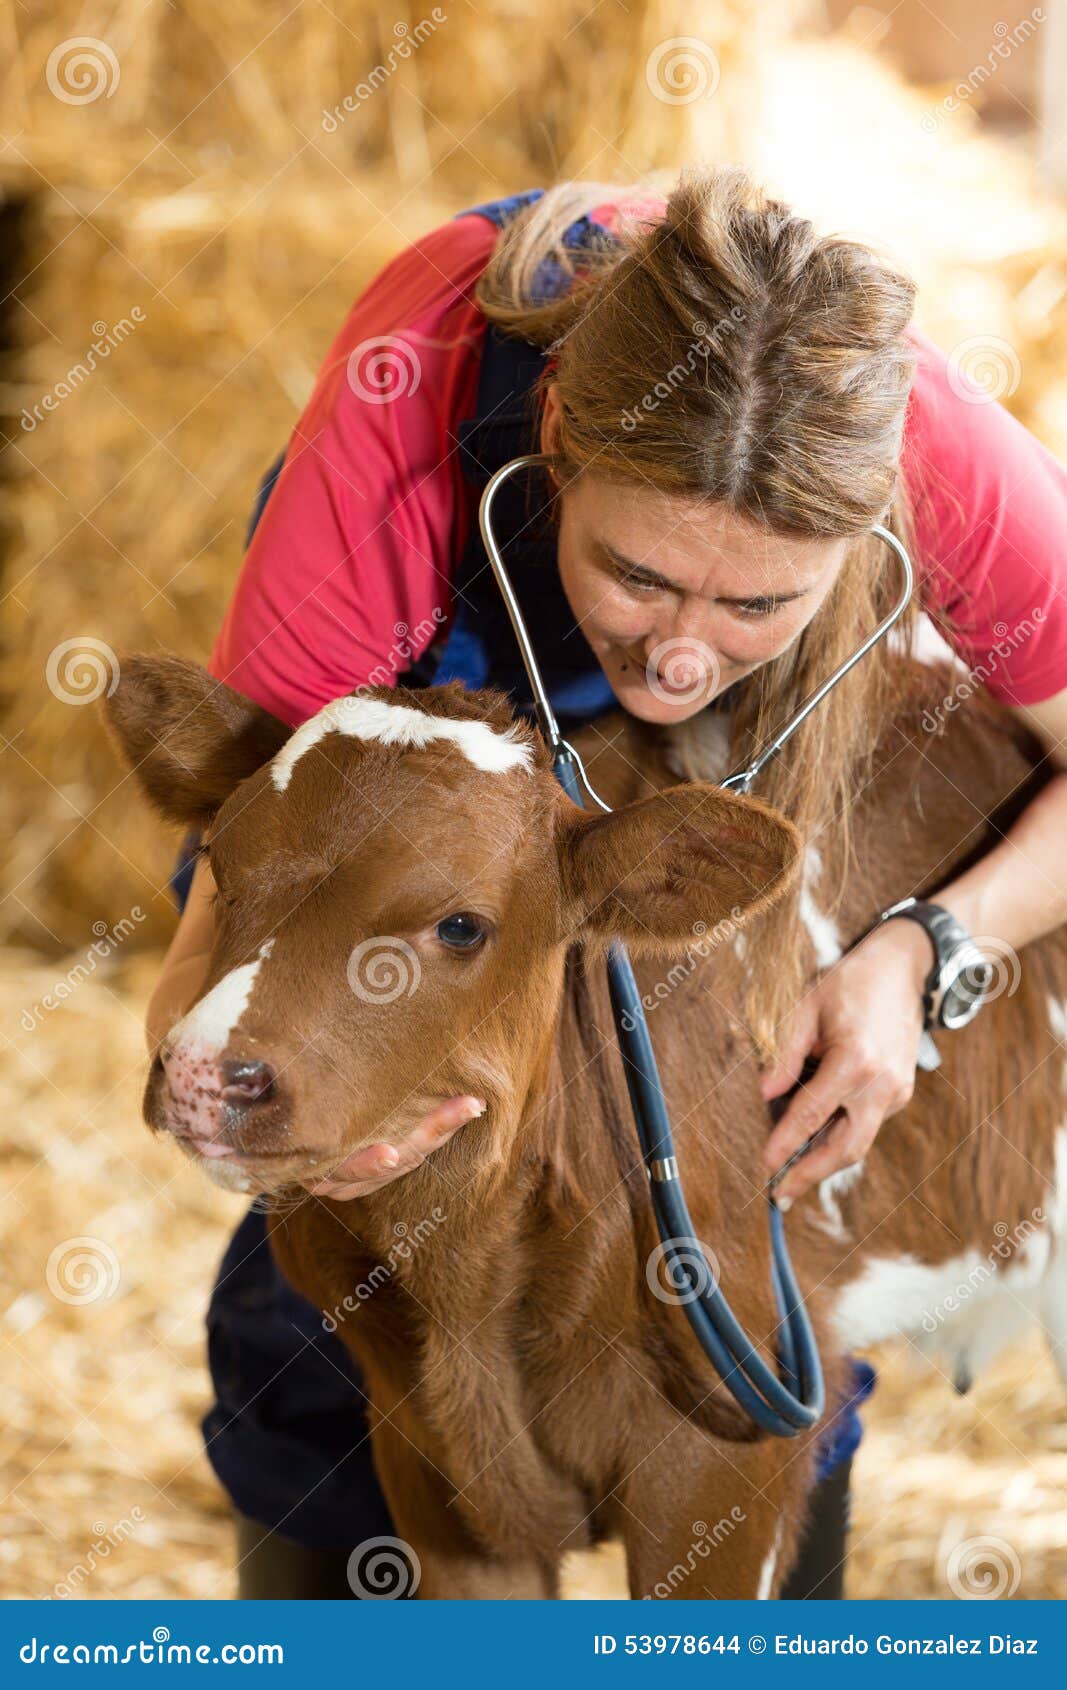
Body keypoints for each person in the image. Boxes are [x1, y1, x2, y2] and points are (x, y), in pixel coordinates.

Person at [148, 172, 1067, 1599]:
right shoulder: (415, 402)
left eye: (757, 600)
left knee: (741, 1209)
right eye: (643, 573)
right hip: (453, 667)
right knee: (326, 1264)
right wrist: (260, 1112)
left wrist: (924, 947)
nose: (686, 653)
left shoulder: (930, 443)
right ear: (561, 450)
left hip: (739, 769)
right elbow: (245, 883)